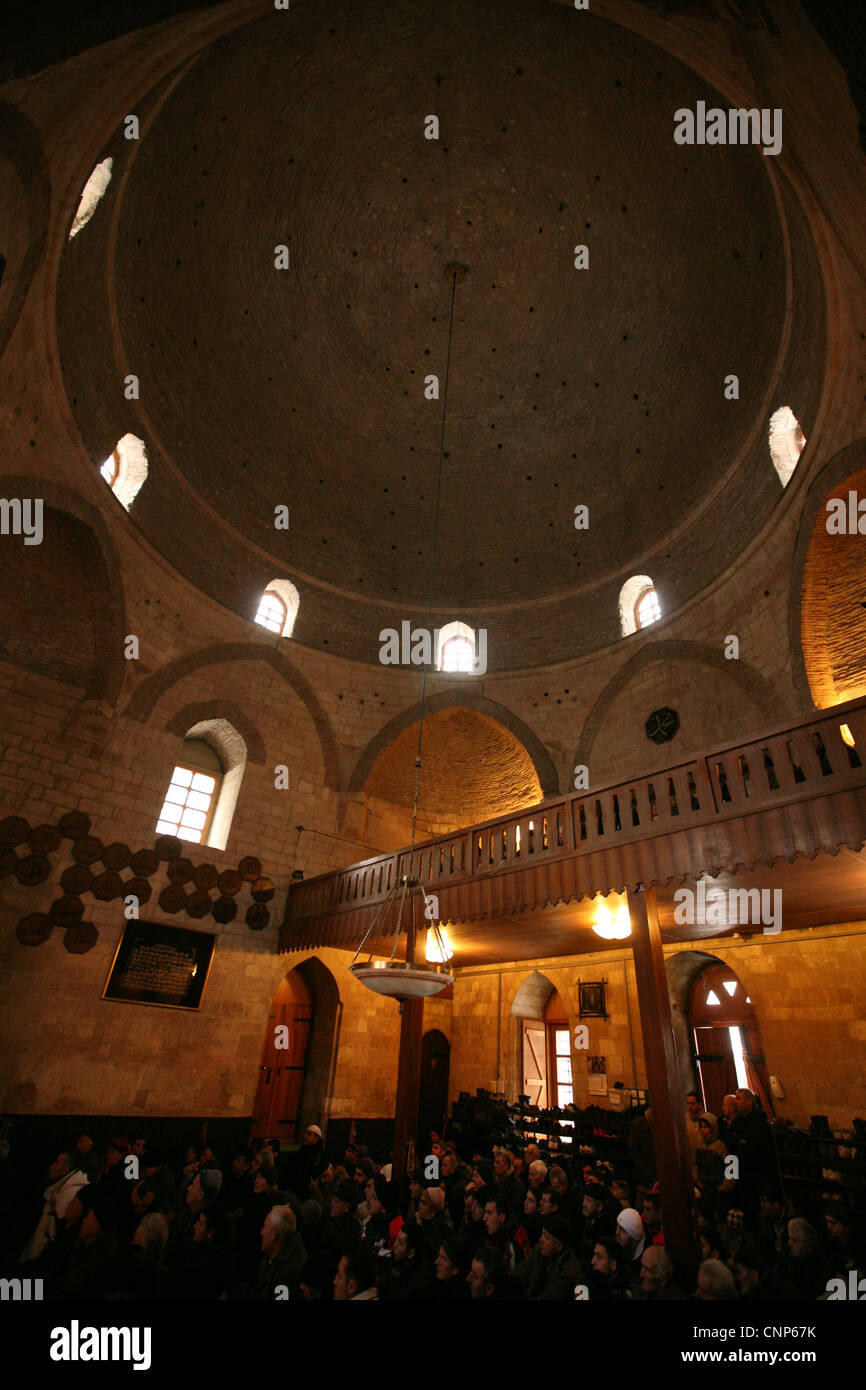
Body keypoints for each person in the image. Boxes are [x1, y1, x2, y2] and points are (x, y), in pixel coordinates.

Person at [21, 1150, 89, 1263]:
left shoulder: (66, 1197)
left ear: (65, 1170)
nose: (52, 1166)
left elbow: (50, 1235)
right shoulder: (58, 1190)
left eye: (56, 1162)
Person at [517, 1216, 581, 1300]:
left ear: (558, 1246)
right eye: (542, 1234)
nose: (540, 1240)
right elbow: (519, 1273)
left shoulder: (569, 1271)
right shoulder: (539, 1251)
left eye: (546, 1237)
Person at [252, 1205, 306, 1299]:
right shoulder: (271, 1253)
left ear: (274, 1233)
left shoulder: (292, 1269)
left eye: (265, 1227)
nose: (261, 1232)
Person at [482, 1192, 521, 1274]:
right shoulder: (491, 1237)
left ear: (502, 1217)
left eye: (489, 1213)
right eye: (485, 1212)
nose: (484, 1218)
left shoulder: (512, 1243)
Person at [492, 1147, 525, 1223]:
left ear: (506, 1165)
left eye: (498, 1162)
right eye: (494, 1162)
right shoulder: (497, 1181)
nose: (494, 1165)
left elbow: (515, 1210)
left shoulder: (515, 1184)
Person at [615, 1208, 645, 1282]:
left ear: (633, 1237)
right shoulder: (619, 1248)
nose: (617, 1232)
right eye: (617, 1227)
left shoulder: (643, 1262)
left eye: (622, 1230)